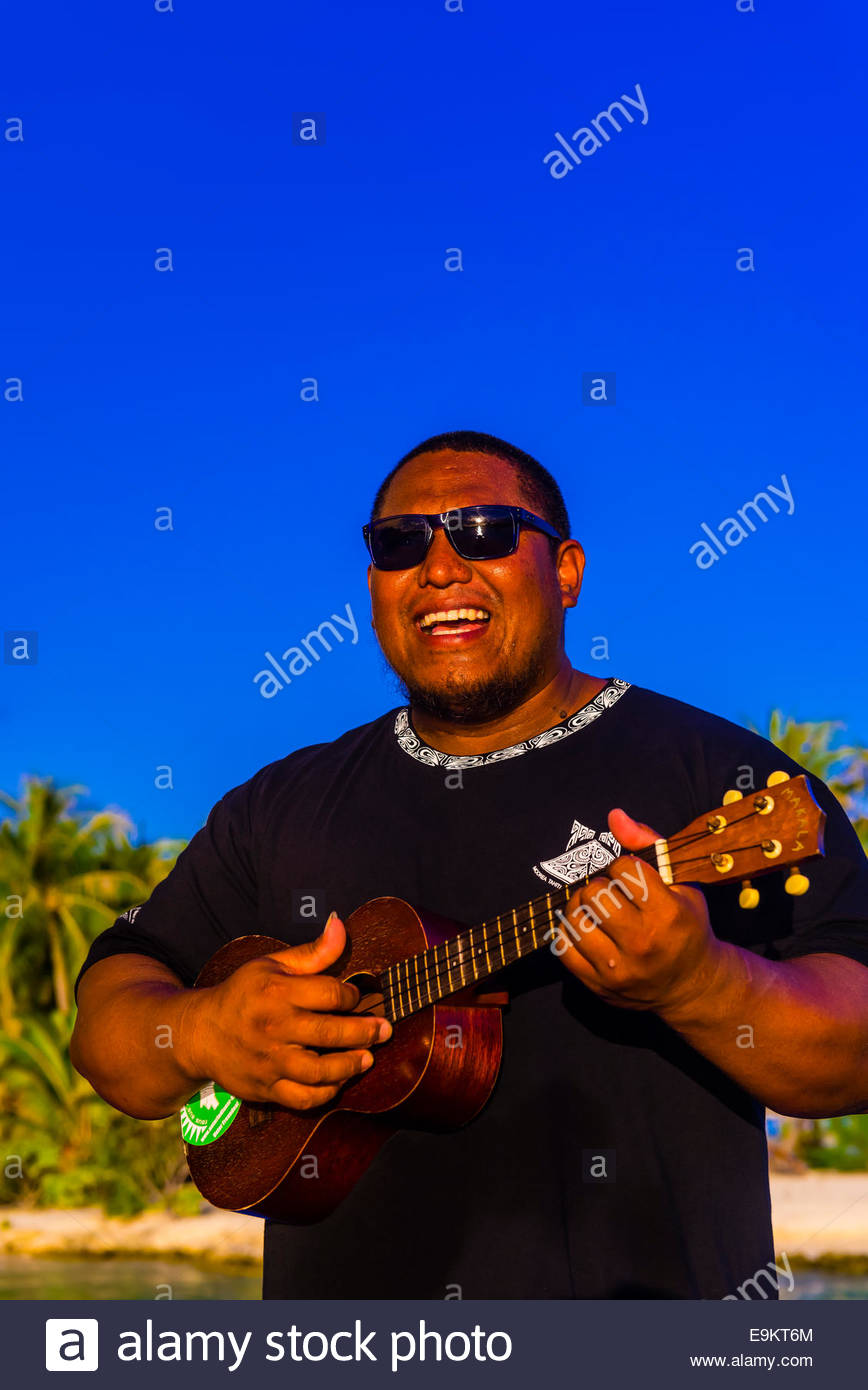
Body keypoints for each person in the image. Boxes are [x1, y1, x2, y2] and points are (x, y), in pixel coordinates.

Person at [72, 429, 868, 1300]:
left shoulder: (722, 780)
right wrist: (202, 1031)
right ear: (373, 585)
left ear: (565, 571)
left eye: (486, 530)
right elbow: (108, 1033)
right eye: (401, 543)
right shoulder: (276, 806)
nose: (442, 566)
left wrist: (703, 984)